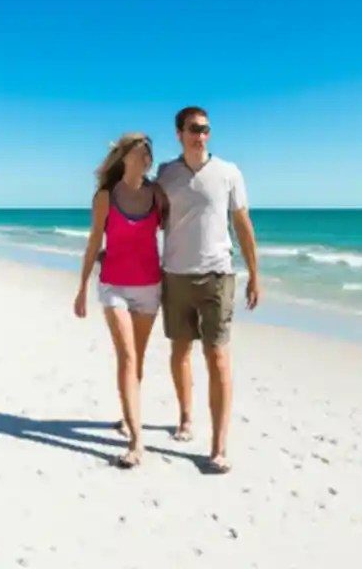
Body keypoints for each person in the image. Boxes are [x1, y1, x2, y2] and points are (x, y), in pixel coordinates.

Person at [156, 106, 259, 474]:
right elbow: (149, 218)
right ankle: (185, 417)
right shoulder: (166, 174)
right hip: (176, 275)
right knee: (180, 349)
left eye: (206, 129)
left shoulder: (229, 172)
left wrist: (255, 273)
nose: (202, 135)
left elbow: (242, 224)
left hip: (218, 276)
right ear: (179, 133)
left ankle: (218, 446)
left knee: (217, 356)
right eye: (194, 129)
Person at [74, 132, 168, 469]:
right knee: (127, 356)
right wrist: (82, 287)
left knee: (137, 361)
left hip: (149, 288)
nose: (145, 158)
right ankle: (136, 441)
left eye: (149, 154)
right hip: (113, 285)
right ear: (124, 156)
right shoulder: (105, 197)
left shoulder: (158, 196)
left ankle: (128, 415)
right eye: (139, 152)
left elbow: (179, 231)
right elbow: (93, 242)